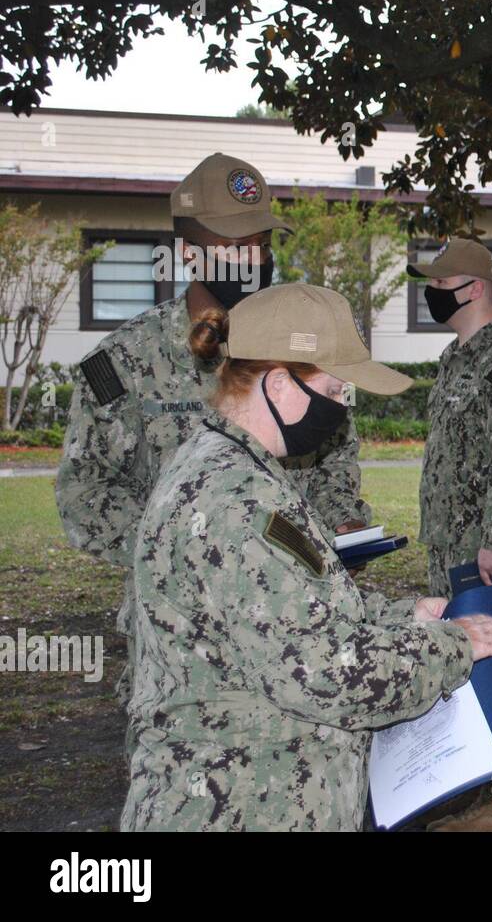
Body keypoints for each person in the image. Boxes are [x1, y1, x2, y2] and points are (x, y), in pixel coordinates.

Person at [121, 283, 492, 831]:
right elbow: (326, 674)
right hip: (237, 806)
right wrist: (455, 646)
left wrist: (405, 618)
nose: (339, 406)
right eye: (333, 389)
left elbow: (294, 610)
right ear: (280, 385)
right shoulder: (236, 500)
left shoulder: (234, 467)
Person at [56, 153, 370, 719]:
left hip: (302, 617)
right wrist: (185, 545)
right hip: (186, 638)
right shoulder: (124, 363)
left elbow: (334, 457)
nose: (253, 259)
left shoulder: (297, 348)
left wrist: (345, 523)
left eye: (262, 242)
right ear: (189, 253)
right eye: (233, 245)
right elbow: (85, 494)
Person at [406, 238, 492, 831]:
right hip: (446, 544)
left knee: (485, 674)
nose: (432, 293)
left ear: (475, 288)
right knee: (452, 671)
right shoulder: (453, 357)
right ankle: (455, 798)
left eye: (441, 283)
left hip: (479, 551)